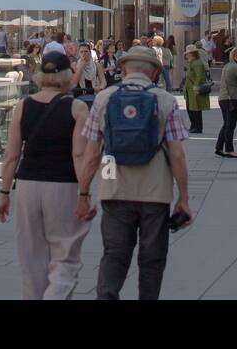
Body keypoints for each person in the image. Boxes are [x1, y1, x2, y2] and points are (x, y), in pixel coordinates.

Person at [78, 43, 191, 301]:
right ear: (154, 73)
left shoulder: (103, 98)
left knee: (114, 254)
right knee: (152, 259)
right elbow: (176, 154)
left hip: (113, 187)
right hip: (156, 191)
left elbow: (93, 153)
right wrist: (183, 198)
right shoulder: (166, 101)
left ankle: (106, 297)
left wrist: (83, 193)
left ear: (124, 68)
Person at [0, 52, 91, 299]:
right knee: (65, 254)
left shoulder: (23, 106)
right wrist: (84, 193)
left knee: (31, 257)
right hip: (64, 186)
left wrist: (5, 192)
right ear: (67, 74)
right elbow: (79, 155)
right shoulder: (76, 107)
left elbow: (11, 155)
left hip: (28, 185)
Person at [216, 47, 237, 157]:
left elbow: (231, 83)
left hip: (223, 98)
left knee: (226, 124)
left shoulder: (227, 66)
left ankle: (219, 148)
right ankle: (229, 150)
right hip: (231, 99)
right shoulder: (236, 68)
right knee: (230, 125)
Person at [181, 44, 210, 134]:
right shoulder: (192, 62)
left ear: (192, 54)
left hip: (193, 90)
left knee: (195, 109)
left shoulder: (197, 63)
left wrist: (196, 87)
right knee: (191, 109)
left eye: (188, 54)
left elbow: (199, 76)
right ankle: (193, 126)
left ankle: (197, 127)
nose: (186, 55)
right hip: (190, 90)